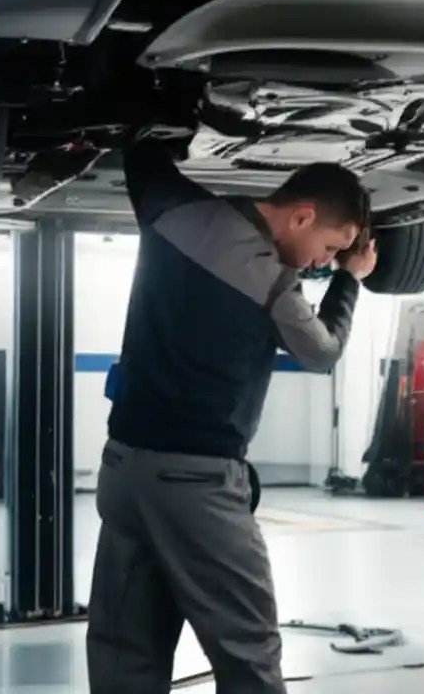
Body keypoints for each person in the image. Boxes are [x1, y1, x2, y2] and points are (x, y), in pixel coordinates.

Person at [86, 130, 378, 694]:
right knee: (249, 651)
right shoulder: (270, 281)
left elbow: (142, 158)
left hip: (123, 474)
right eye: (331, 246)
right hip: (196, 488)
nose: (327, 260)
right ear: (301, 216)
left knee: (126, 649)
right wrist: (349, 281)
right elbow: (321, 350)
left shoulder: (176, 209)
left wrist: (170, 119)